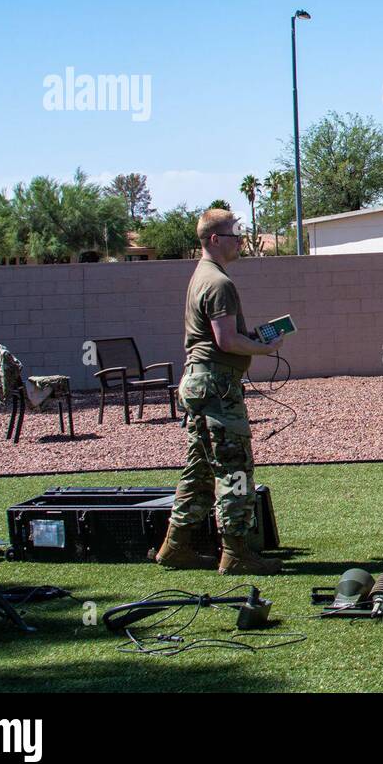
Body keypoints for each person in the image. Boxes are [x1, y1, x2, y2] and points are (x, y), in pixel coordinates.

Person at [154, 208, 285, 575]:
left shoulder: (202, 277)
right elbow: (226, 341)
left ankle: (175, 546)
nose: (240, 241)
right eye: (233, 235)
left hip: (198, 383)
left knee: (200, 468)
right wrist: (263, 348)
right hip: (216, 385)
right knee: (235, 468)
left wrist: (250, 340)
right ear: (215, 239)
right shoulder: (219, 283)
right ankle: (237, 552)